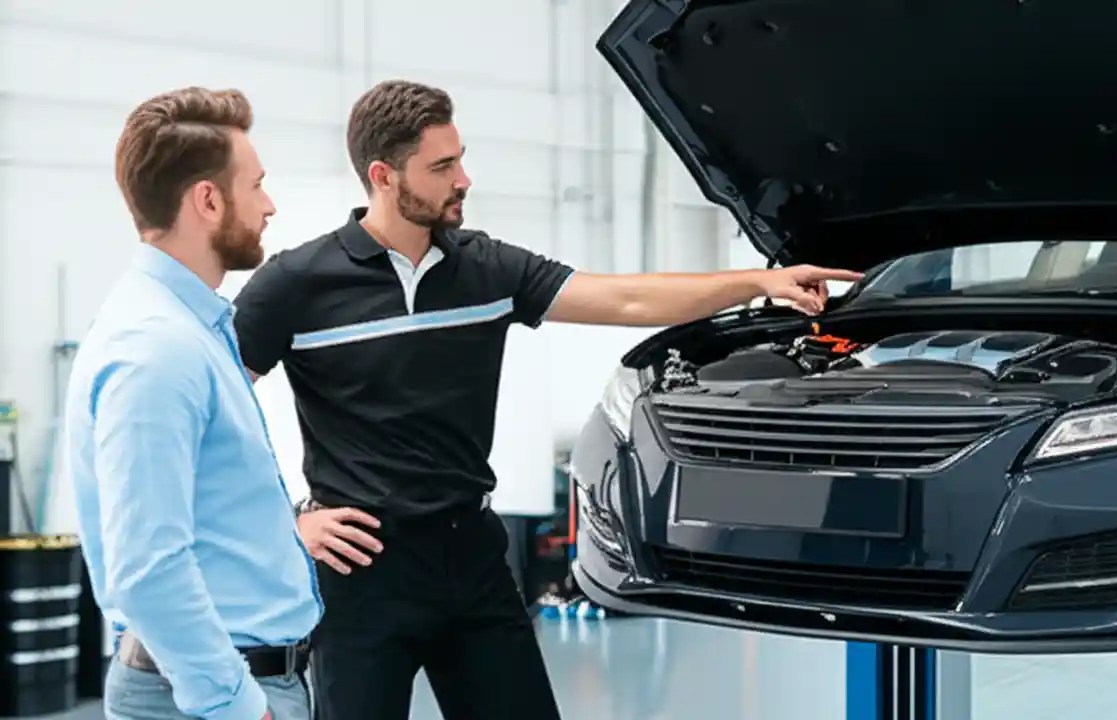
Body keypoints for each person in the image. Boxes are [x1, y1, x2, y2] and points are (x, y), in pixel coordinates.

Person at [230, 79, 861, 720]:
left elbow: (626, 299)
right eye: (443, 166)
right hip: (361, 572)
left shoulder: (487, 269)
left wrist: (759, 280)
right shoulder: (294, 284)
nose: (464, 179)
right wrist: (287, 524)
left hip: (471, 556)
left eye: (461, 158)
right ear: (384, 176)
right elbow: (214, 412)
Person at [62, 86, 321, 720]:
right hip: (207, 698)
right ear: (207, 200)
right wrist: (238, 706)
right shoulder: (158, 350)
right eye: (256, 185)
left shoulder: (188, 329)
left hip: (225, 685)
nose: (269, 205)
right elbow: (147, 569)